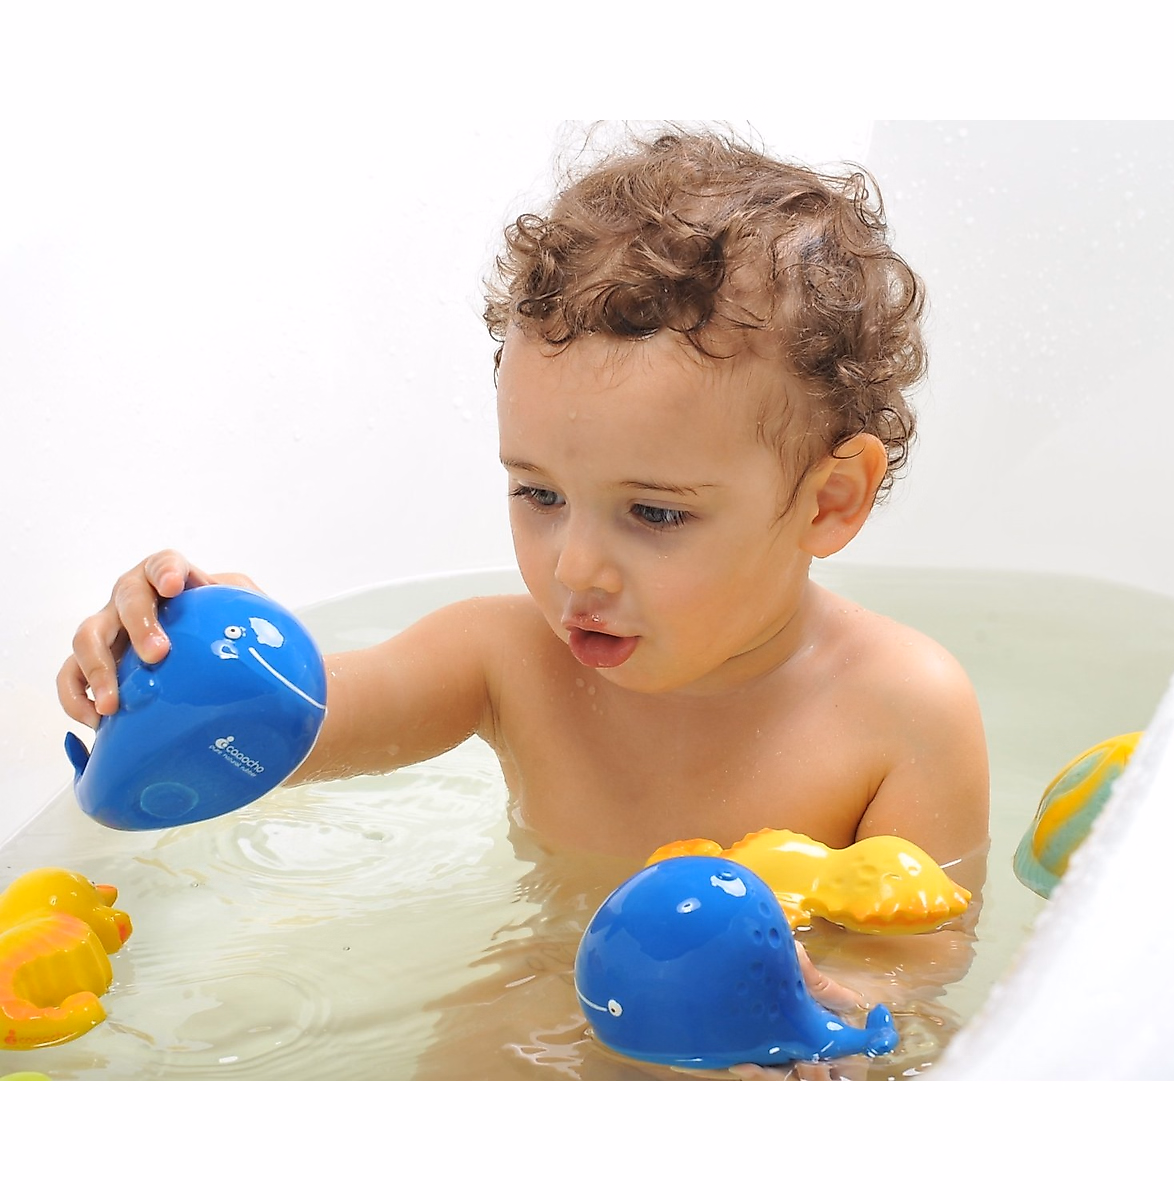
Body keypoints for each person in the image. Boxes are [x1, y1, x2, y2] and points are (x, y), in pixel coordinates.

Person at [58, 132, 989, 1037]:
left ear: (830, 500)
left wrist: (825, 1014)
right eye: (539, 494)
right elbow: (289, 723)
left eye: (655, 513)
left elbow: (923, 956)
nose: (573, 568)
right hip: (536, 1012)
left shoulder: (902, 711)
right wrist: (193, 653)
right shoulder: (506, 661)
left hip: (753, 1049)